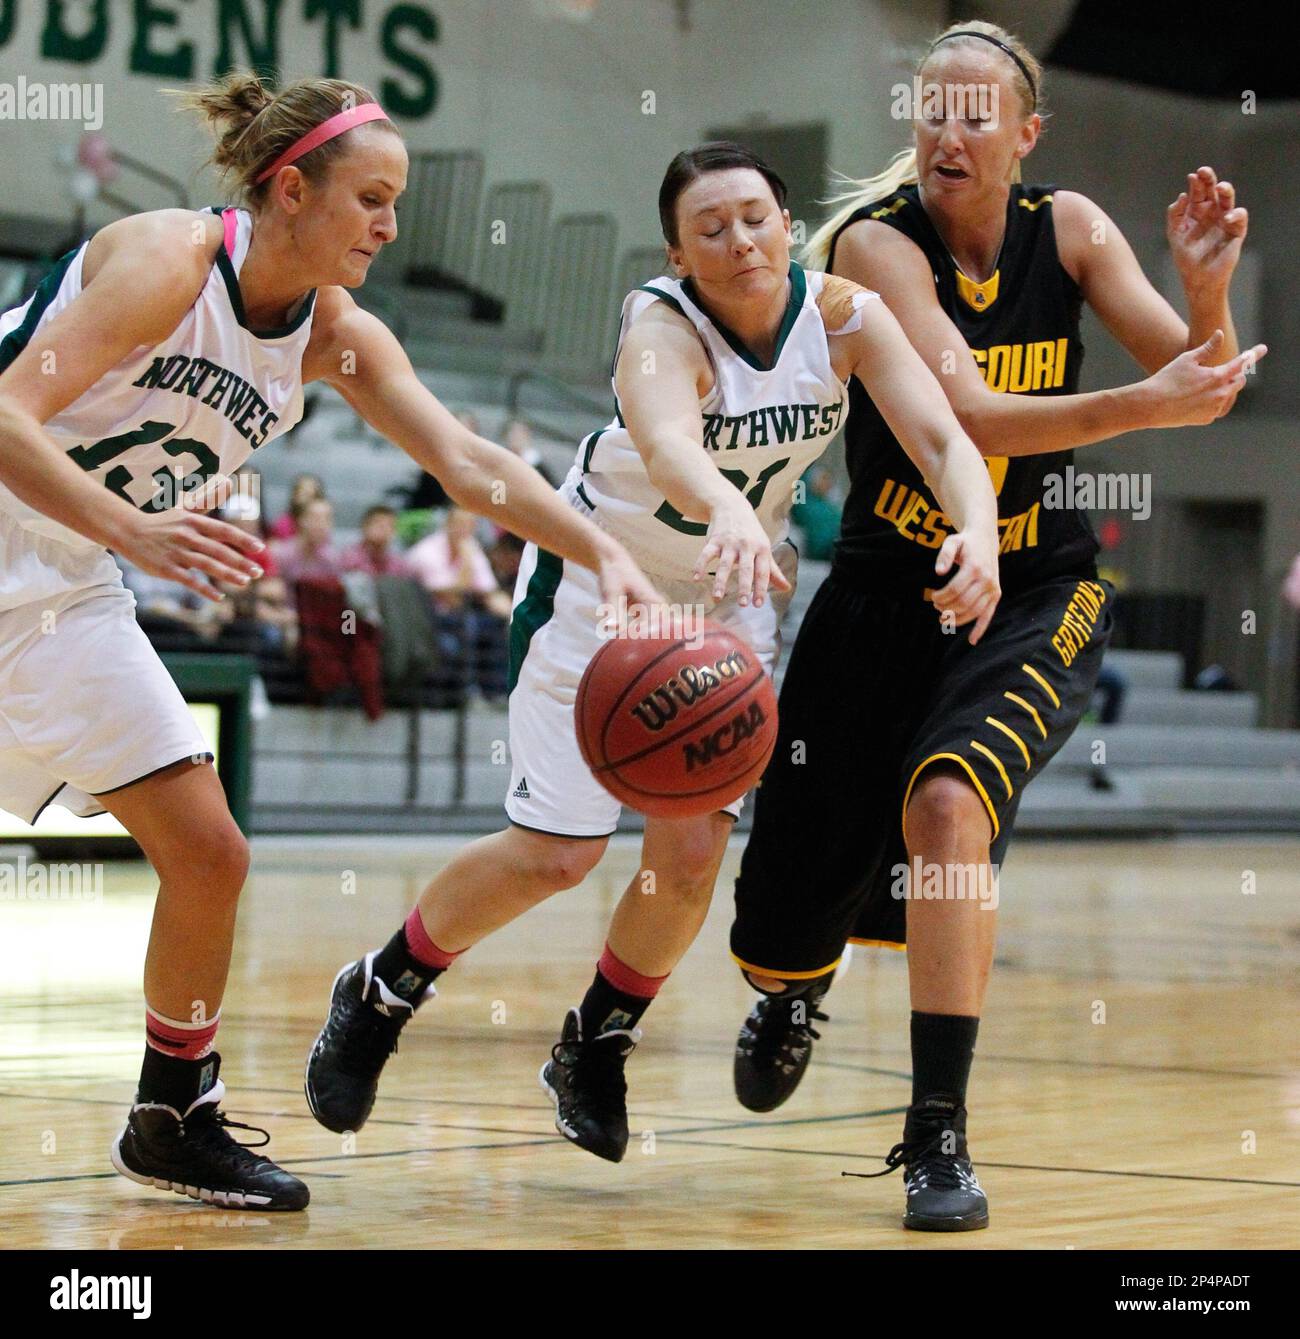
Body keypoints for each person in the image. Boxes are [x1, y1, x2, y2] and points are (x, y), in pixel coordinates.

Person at [0, 72, 656, 1213]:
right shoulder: (168, 260)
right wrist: (128, 529)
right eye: (371, 198)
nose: (390, 227)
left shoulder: (332, 336)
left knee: (210, 852)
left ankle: (172, 1110)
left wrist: (608, 554)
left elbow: (474, 467)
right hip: (71, 537)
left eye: (397, 202)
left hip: (61, 586)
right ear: (290, 188)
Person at [304, 141, 1001, 1164]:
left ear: (785, 224)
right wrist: (725, 504)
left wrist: (976, 532)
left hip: (725, 598)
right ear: (676, 255)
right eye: (710, 229)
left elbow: (944, 440)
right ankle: (384, 984)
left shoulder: (844, 316)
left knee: (688, 858)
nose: (739, 240)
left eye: (755, 216)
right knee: (559, 853)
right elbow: (670, 443)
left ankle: (596, 1039)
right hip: (602, 578)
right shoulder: (658, 323)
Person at [726, 20, 1265, 1232]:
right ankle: (794, 984)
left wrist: (1206, 291)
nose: (946, 132)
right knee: (781, 922)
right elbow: (966, 414)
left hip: (1034, 589)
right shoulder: (874, 246)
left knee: (948, 803)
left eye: (976, 114)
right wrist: (1146, 402)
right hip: (882, 591)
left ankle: (935, 1132)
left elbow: (1205, 380)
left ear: (1027, 136)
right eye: (930, 109)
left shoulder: (1069, 229)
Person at [270, 495, 343, 584]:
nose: (322, 524)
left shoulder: (332, 559)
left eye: (327, 519)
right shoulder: (280, 554)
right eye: (315, 518)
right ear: (301, 520)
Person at [339, 503, 415, 578]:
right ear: (364, 527)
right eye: (378, 524)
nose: (383, 529)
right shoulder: (348, 560)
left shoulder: (399, 565)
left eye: (389, 525)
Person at [267, 471, 324, 539]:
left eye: (310, 495)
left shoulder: (321, 526)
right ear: (295, 496)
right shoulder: (284, 525)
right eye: (303, 494)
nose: (306, 500)